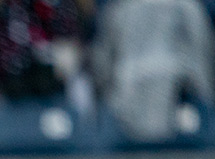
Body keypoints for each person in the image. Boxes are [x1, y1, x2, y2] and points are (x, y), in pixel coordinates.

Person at [90, 0, 214, 142]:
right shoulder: (120, 9)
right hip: (131, 89)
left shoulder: (186, 6)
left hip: (176, 89)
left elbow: (202, 53)